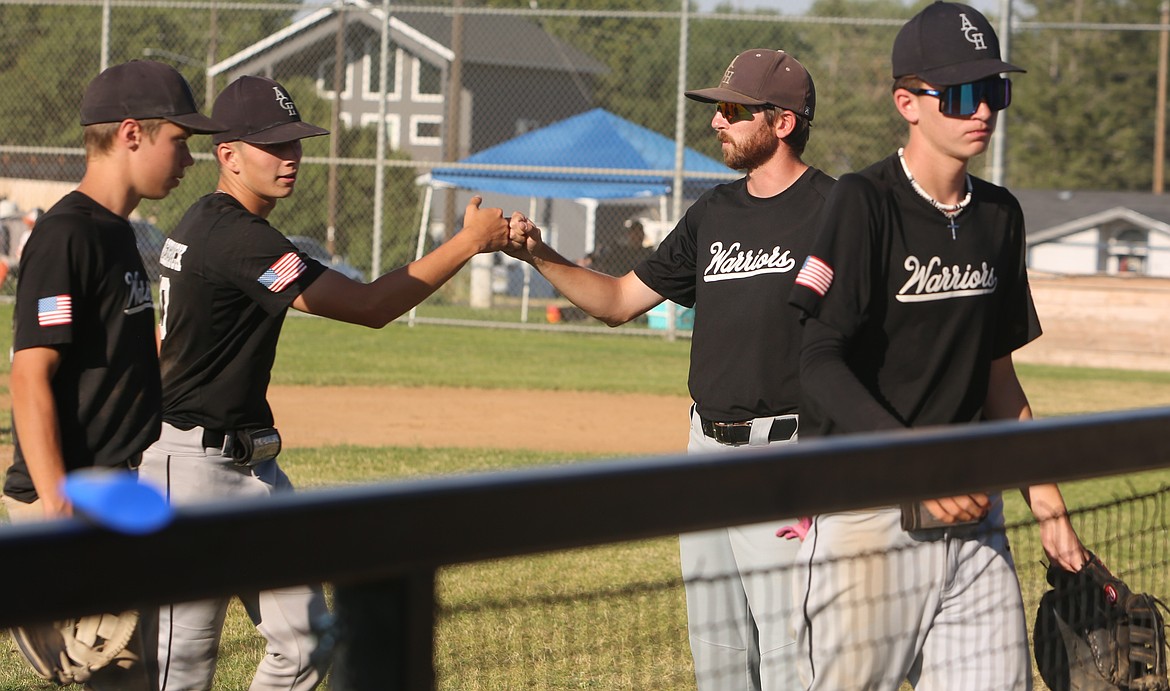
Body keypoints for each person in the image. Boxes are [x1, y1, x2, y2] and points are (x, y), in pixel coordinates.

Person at [136, 74, 510, 691]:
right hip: (192, 470)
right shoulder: (233, 234)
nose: (290, 158)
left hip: (251, 466)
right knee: (181, 673)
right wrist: (467, 243)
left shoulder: (210, 220)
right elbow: (368, 305)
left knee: (309, 642)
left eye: (295, 143)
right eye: (272, 146)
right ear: (227, 155)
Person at [506, 49, 832, 691]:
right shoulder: (714, 214)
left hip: (788, 456)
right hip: (704, 451)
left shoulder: (839, 209)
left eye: (733, 109)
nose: (717, 122)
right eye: (717, 109)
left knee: (795, 656)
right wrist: (539, 254)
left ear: (784, 122)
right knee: (718, 654)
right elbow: (620, 301)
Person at [787, 3, 1088, 689]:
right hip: (869, 514)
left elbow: (998, 378)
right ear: (908, 103)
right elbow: (819, 359)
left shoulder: (999, 217)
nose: (980, 108)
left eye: (993, 90)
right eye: (958, 93)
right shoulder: (863, 202)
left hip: (975, 515)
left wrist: (1050, 507)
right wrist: (917, 464)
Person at [1, 60, 222, 690]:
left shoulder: (118, 235)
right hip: (72, 495)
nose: (188, 158)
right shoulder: (68, 234)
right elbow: (29, 376)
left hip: (116, 488)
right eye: (178, 141)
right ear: (131, 133)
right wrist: (55, 503)